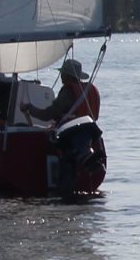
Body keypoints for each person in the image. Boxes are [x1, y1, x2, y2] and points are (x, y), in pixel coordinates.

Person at [26, 59, 104, 195]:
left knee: (66, 159)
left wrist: (30, 109)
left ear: (67, 75)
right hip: (92, 131)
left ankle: (66, 187)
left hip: (72, 133)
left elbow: (48, 114)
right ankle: (89, 160)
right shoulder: (90, 89)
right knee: (81, 149)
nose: (61, 77)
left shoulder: (68, 92)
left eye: (62, 74)